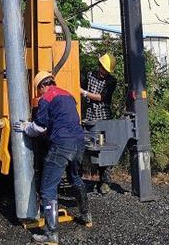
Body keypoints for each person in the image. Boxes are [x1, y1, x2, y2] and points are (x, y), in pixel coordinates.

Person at [14, 71, 91, 244]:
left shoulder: (46, 98)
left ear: (42, 86)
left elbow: (40, 127)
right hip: (79, 142)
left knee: (48, 188)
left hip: (61, 144)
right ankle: (86, 215)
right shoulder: (68, 95)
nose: (39, 94)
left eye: (38, 90)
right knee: (75, 177)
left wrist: (25, 127)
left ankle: (51, 234)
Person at [80, 53, 117, 194]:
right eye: (103, 68)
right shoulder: (89, 75)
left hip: (103, 115)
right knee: (86, 146)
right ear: (99, 65)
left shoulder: (111, 81)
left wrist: (84, 93)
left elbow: (102, 97)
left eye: (106, 70)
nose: (104, 72)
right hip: (89, 114)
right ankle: (83, 177)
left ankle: (105, 181)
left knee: (104, 147)